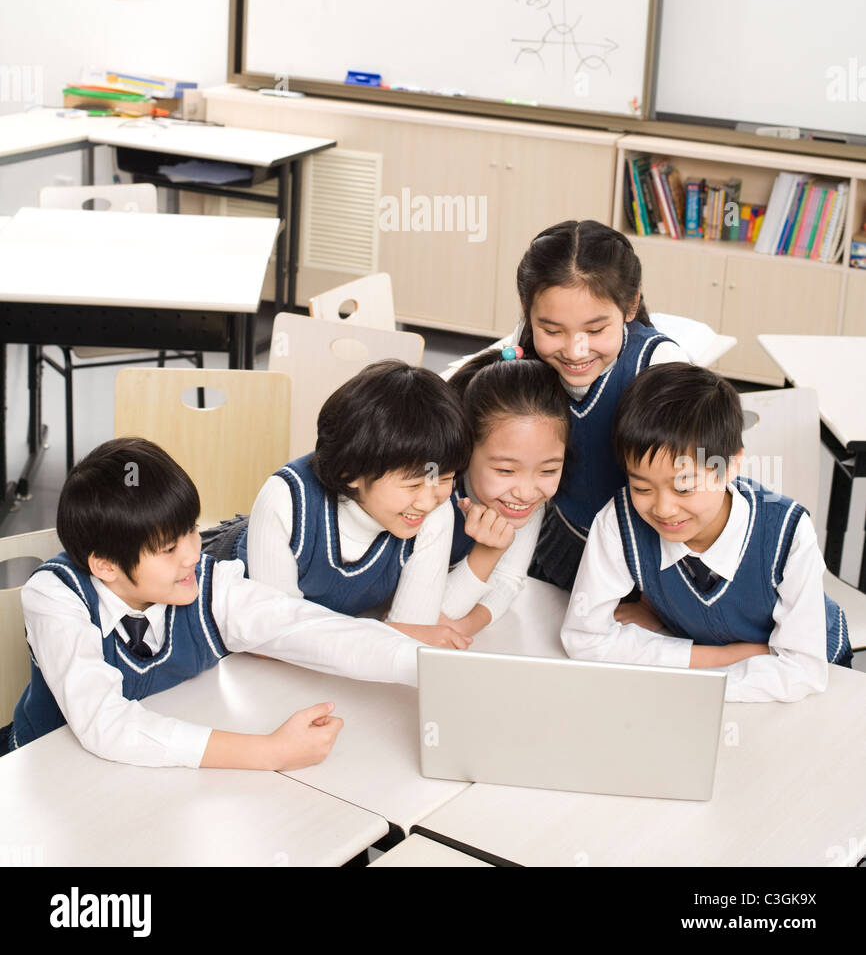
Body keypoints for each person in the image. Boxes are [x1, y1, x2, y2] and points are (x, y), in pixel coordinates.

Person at [4, 438, 424, 767]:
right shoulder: (56, 596)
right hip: (45, 777)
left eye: (190, 529)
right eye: (168, 548)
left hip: (146, 778)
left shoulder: (204, 583)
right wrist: (269, 752)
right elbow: (105, 725)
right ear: (106, 566)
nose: (191, 553)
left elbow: (305, 627)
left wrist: (427, 667)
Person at [560, 363, 852, 700]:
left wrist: (685, 673)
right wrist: (721, 659)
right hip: (729, 672)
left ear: (731, 465)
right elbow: (584, 638)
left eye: (684, 488)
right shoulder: (620, 520)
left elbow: (801, 671)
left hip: (824, 681)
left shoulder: (787, 533)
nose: (663, 509)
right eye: (642, 488)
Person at [443, 219, 685, 589]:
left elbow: (694, 493)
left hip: (647, 567)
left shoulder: (660, 367)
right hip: (562, 550)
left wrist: (653, 599)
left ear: (631, 304)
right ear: (528, 310)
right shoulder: (524, 349)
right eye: (553, 331)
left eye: (595, 330)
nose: (575, 351)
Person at [204, 361, 474, 648]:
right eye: (413, 485)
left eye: (444, 478)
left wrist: (390, 636)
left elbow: (410, 632)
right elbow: (277, 635)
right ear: (351, 473)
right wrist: (383, 635)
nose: (428, 500)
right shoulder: (285, 501)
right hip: (214, 618)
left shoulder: (434, 508)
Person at [437, 347, 569, 637]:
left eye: (548, 470)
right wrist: (488, 552)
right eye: (506, 471)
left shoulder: (527, 501)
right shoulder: (434, 493)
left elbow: (508, 579)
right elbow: (432, 613)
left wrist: (465, 626)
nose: (525, 492)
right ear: (467, 449)